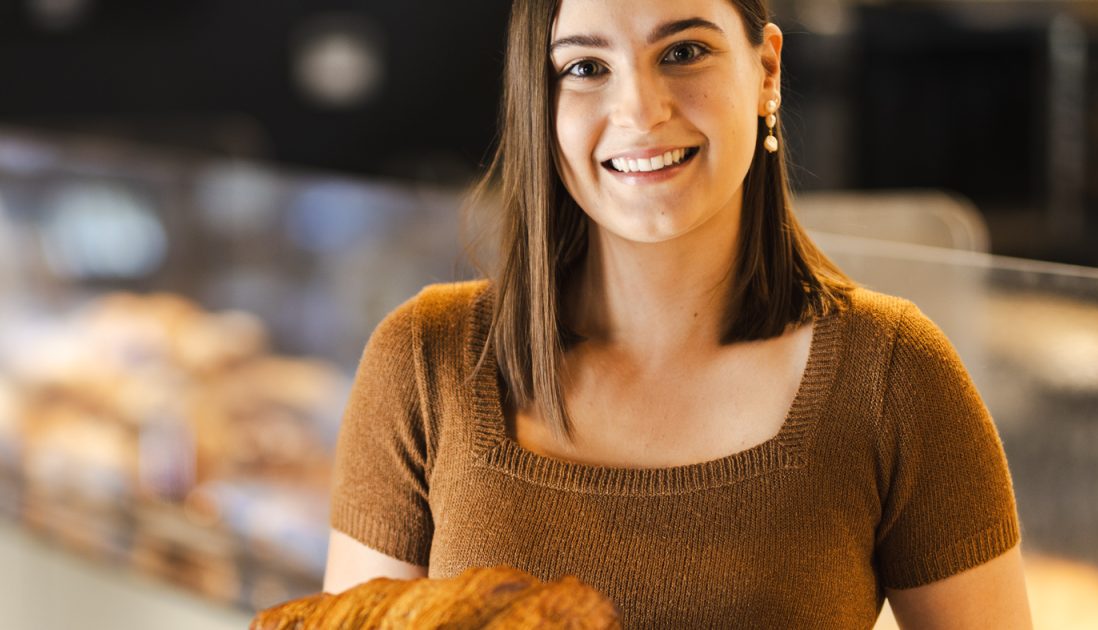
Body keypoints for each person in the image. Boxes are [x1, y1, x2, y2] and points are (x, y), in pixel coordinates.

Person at [323, 0, 1033, 627]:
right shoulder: (425, 361)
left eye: (684, 52)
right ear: (537, 98)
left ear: (766, 73)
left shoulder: (894, 372)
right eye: (585, 68)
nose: (640, 110)